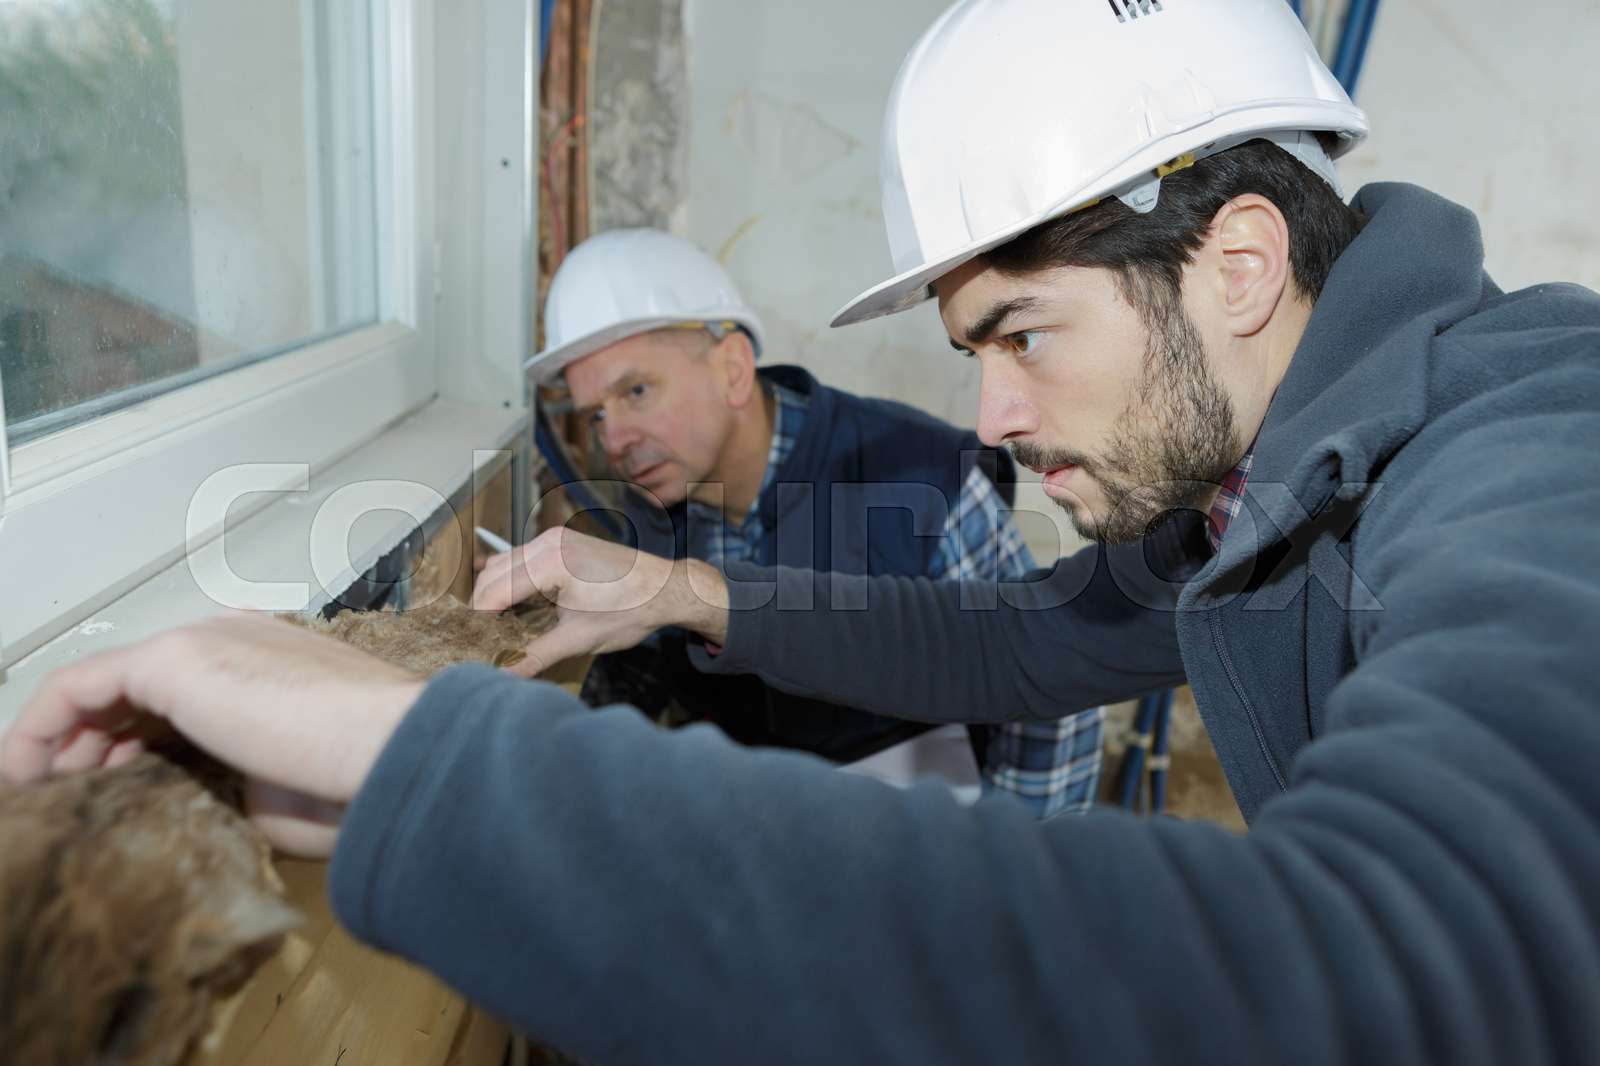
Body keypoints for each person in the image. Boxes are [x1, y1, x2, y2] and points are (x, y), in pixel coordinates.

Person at [8, 1, 1600, 1063]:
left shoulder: (1535, 454)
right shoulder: (1262, 488)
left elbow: (1399, 976)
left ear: (1237, 265)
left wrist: (425, 751)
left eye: (1022, 333)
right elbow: (1022, 641)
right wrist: (678, 590)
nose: (991, 417)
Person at [520, 227, 1105, 814]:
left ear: (732, 369)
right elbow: (639, 680)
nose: (614, 440)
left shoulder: (920, 483)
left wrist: (1010, 858)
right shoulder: (651, 513)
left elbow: (1047, 693)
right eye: (596, 416)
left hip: (927, 820)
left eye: (636, 391)